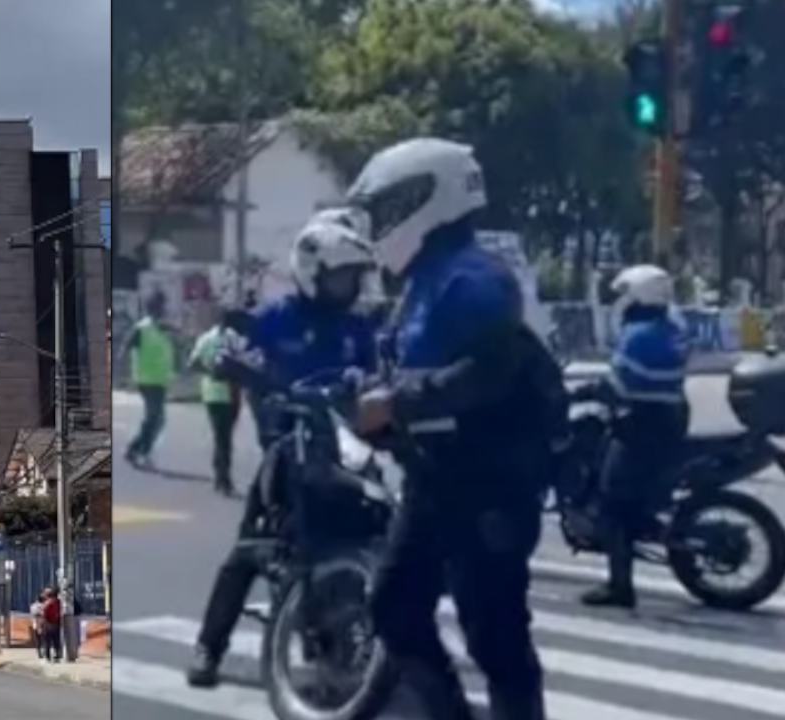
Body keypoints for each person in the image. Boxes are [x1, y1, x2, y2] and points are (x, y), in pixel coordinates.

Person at [347, 137, 560, 720]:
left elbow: (489, 373)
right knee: (394, 605)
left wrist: (397, 401)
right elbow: (405, 375)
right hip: (433, 477)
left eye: (392, 206)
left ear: (429, 201)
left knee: (495, 635)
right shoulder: (419, 284)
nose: (383, 223)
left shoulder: (477, 279)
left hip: (492, 482)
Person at [186, 213, 381, 687]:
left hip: (345, 447)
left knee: (382, 527)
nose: (348, 285)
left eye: (353, 276)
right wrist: (223, 360)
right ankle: (208, 648)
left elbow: (377, 377)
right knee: (247, 553)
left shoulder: (358, 328)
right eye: (340, 275)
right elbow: (229, 348)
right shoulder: (277, 316)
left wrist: (371, 385)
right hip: (287, 447)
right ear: (312, 271)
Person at [577, 264, 689, 609]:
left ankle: (620, 587)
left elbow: (617, 385)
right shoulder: (671, 328)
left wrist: (582, 392)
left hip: (643, 425)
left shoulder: (638, 335)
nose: (620, 301)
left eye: (624, 293)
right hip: (671, 417)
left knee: (612, 503)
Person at [188, 308, 244, 494]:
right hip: (229, 392)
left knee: (221, 437)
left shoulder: (205, 338)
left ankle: (220, 476)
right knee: (225, 438)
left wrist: (209, 372)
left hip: (212, 393)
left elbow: (193, 363)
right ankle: (224, 479)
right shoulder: (234, 338)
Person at [121, 292, 176, 468]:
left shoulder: (161, 328)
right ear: (154, 308)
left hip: (159, 381)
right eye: (161, 306)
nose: (164, 309)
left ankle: (135, 450)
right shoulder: (141, 328)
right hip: (147, 380)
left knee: (156, 419)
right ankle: (141, 452)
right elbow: (124, 349)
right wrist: (123, 374)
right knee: (155, 417)